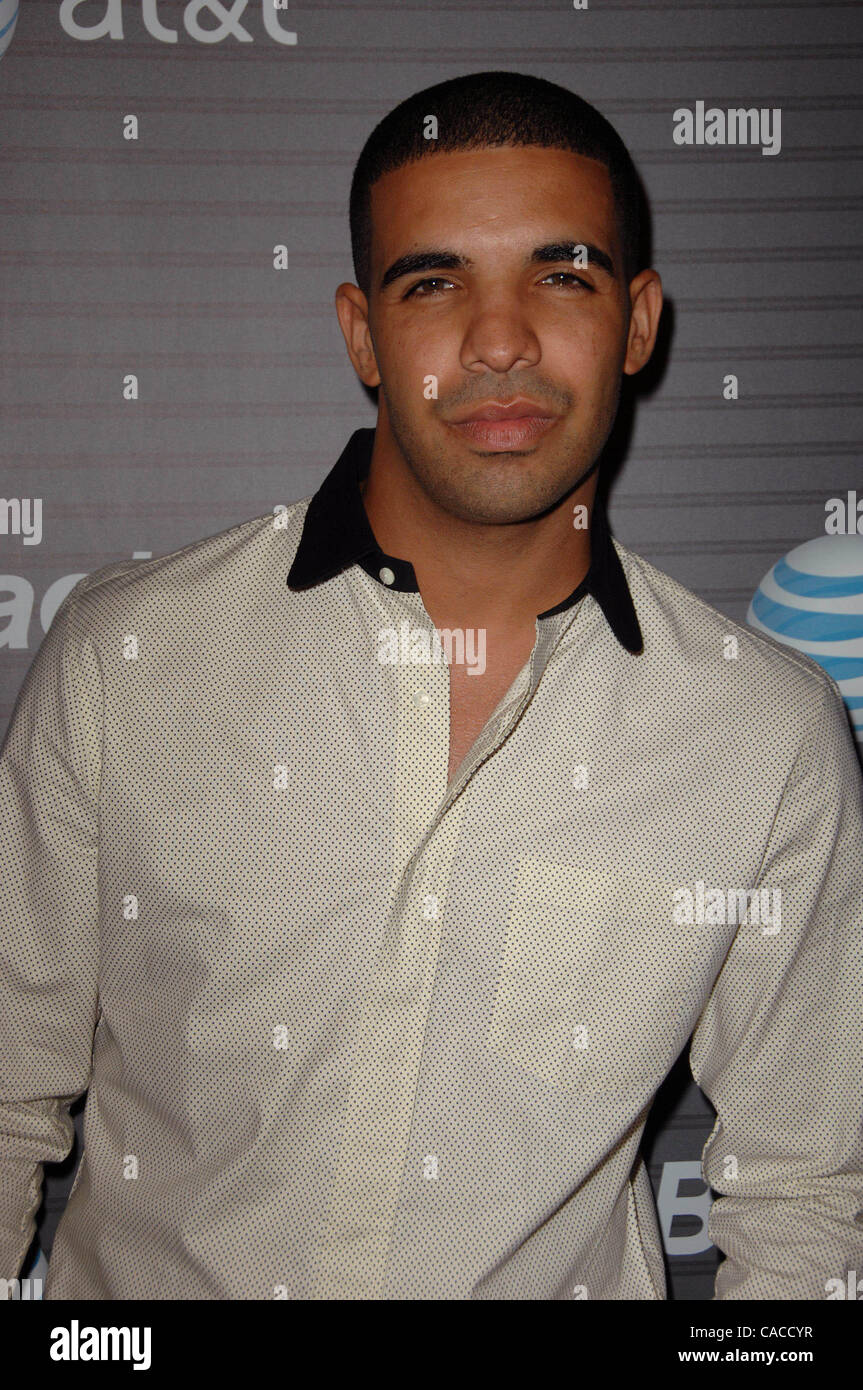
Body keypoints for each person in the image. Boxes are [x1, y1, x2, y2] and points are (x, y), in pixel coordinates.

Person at [1, 70, 861, 1301]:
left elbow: (809, 1194)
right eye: (434, 281)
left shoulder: (762, 739)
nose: (498, 339)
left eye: (561, 276)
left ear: (636, 319)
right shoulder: (124, 661)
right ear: (361, 331)